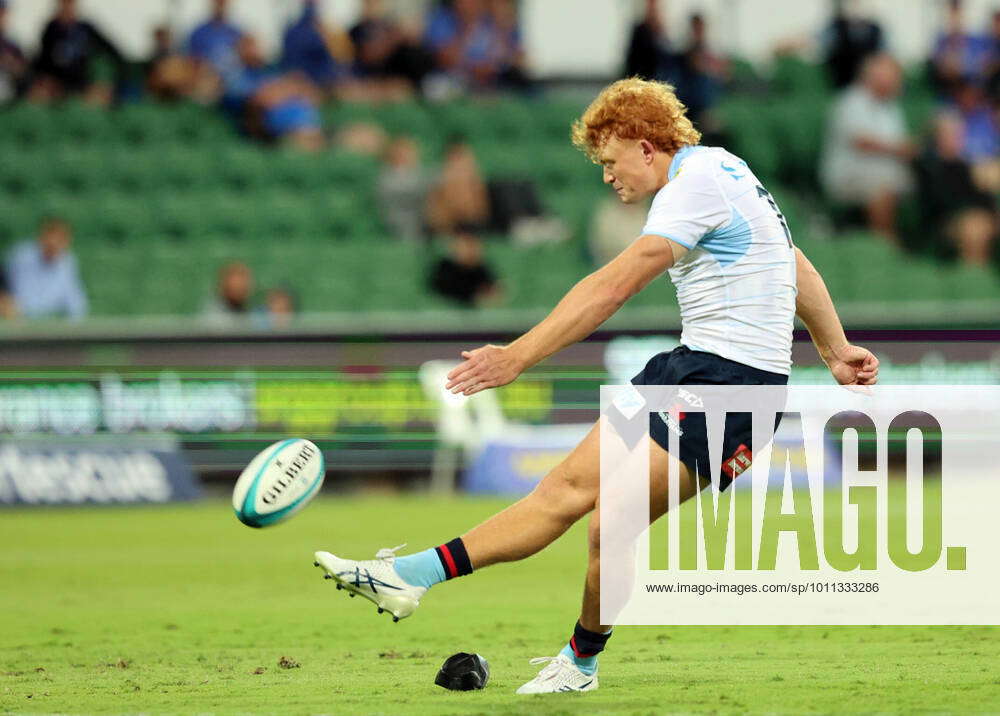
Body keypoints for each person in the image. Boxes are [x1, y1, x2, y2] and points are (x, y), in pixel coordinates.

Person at [313, 77, 879, 694]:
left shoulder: (695, 185)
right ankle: (408, 577)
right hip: (684, 368)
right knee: (559, 492)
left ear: (645, 145)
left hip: (734, 395)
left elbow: (617, 282)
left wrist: (518, 356)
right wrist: (834, 348)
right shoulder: (722, 171)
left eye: (611, 162)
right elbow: (791, 259)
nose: (608, 177)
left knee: (612, 522)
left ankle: (580, 664)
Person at [820, 53, 914, 241]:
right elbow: (862, 142)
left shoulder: (890, 106)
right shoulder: (851, 101)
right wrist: (899, 149)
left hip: (885, 170)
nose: (897, 81)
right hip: (850, 173)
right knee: (882, 187)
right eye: (892, 76)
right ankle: (884, 243)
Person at [913, 113, 997, 266]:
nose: (959, 139)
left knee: (981, 221)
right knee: (975, 227)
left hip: (974, 214)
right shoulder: (927, 164)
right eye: (954, 135)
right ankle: (974, 278)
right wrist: (975, 208)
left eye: (960, 135)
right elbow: (941, 202)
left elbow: (983, 197)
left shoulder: (963, 165)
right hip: (944, 222)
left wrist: (990, 209)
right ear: (938, 137)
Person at [28, 0, 124, 106]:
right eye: (65, 3)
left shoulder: (86, 28)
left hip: (83, 85)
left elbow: (113, 53)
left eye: (71, 3)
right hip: (57, 86)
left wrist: (102, 83)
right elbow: (42, 62)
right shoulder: (51, 29)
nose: (68, 7)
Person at [5, 217, 88, 321]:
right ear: (41, 238)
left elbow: (76, 302)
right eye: (51, 238)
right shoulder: (21, 257)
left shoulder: (68, 261)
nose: (54, 243)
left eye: (60, 240)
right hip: (20, 321)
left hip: (51, 324)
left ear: (67, 242)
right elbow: (20, 299)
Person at [425, 135, 490, 234]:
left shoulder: (473, 175)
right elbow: (434, 210)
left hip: (470, 221)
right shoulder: (440, 175)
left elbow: (480, 203)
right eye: (456, 157)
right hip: (446, 223)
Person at [428, 228, 501, 307]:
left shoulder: (482, 269)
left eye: (473, 245)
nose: (469, 250)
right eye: (466, 245)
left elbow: (495, 293)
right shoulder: (444, 267)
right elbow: (438, 294)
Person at [821, 0, 884, 89]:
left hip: (869, 86)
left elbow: (884, 55)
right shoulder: (835, 27)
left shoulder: (876, 29)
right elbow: (819, 44)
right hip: (840, 83)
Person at [377, 136, 430, 241]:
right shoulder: (388, 176)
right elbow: (406, 193)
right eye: (408, 152)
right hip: (402, 222)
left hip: (422, 220)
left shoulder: (417, 171)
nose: (413, 155)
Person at [188, 0, 243, 75]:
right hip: (205, 77)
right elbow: (191, 60)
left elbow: (241, 61)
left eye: (223, 3)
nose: (220, 7)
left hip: (232, 79)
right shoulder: (198, 33)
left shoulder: (236, 33)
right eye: (218, 2)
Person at [201, 260, 253, 325]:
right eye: (235, 285)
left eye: (244, 284)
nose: (240, 287)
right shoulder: (214, 318)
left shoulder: (250, 314)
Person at [0, 0, 27, 104]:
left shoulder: (12, 46)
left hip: (8, 104)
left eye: (2, 13)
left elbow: (23, 74)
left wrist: (11, 65)